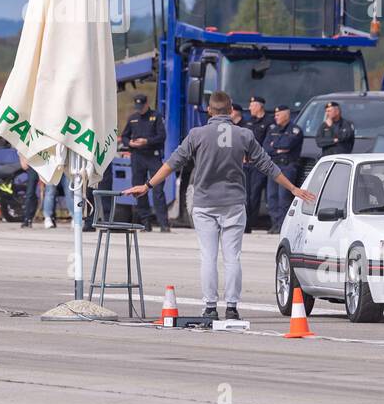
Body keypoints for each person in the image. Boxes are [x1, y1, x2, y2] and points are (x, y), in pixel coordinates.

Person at [123, 90, 317, 321]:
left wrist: (147, 185)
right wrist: (293, 188)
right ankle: (232, 307)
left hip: (205, 204)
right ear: (231, 109)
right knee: (232, 257)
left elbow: (172, 163)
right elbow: (268, 165)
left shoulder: (197, 134)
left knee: (208, 257)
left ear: (209, 111)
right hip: (234, 204)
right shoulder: (244, 134)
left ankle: (210, 307)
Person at [120, 93, 169, 232]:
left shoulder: (156, 117)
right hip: (137, 156)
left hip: (152, 156)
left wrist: (147, 141)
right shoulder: (133, 119)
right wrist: (129, 143)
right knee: (138, 189)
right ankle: (145, 222)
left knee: (157, 189)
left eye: (141, 106)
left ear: (147, 104)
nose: (139, 109)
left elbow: (162, 136)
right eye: (137, 107)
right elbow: (124, 136)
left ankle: (163, 223)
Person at [263, 104, 304, 233]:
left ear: (286, 115)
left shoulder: (295, 130)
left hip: (287, 167)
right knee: (271, 197)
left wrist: (274, 145)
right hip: (273, 166)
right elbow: (266, 147)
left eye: (278, 115)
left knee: (283, 198)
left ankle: (283, 225)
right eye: (275, 115)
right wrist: (278, 149)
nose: (275, 117)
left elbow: (287, 144)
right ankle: (275, 224)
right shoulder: (273, 129)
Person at [242, 95, 275, 233]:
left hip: (259, 164)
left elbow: (268, 143)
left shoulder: (269, 122)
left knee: (254, 195)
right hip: (246, 164)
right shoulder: (249, 122)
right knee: (245, 194)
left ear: (259, 106)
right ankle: (245, 224)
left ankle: (251, 222)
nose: (250, 108)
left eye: (252, 105)